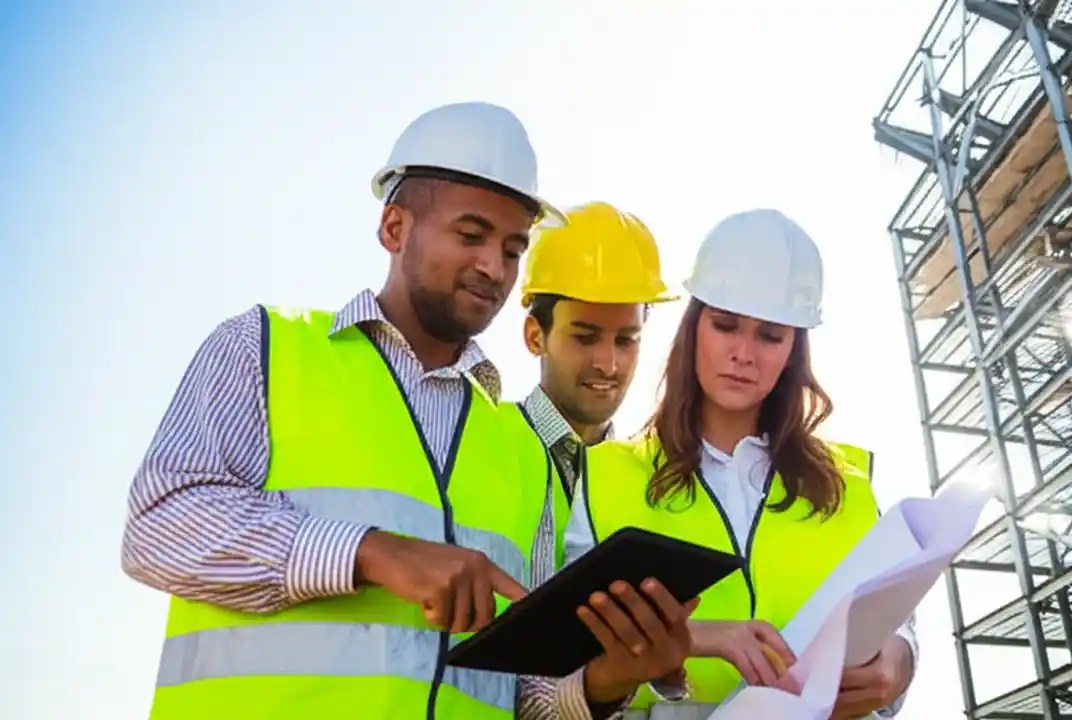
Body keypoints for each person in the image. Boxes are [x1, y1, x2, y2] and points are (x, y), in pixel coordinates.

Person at [120, 101, 694, 720]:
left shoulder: (523, 452)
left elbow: (523, 694)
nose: (492, 268)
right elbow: (157, 528)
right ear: (394, 228)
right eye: (470, 236)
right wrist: (371, 552)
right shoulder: (264, 348)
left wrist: (609, 679)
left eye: (511, 248)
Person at [567, 209, 919, 719]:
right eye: (726, 326)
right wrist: (690, 640)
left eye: (770, 335)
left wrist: (900, 662)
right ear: (693, 330)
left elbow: (893, 617)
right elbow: (569, 666)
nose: (743, 353)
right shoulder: (607, 477)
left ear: (794, 348)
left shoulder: (849, 484)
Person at [499, 202, 689, 717]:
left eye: (626, 341)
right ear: (534, 335)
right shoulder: (485, 444)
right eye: (585, 337)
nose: (608, 363)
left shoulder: (650, 483)